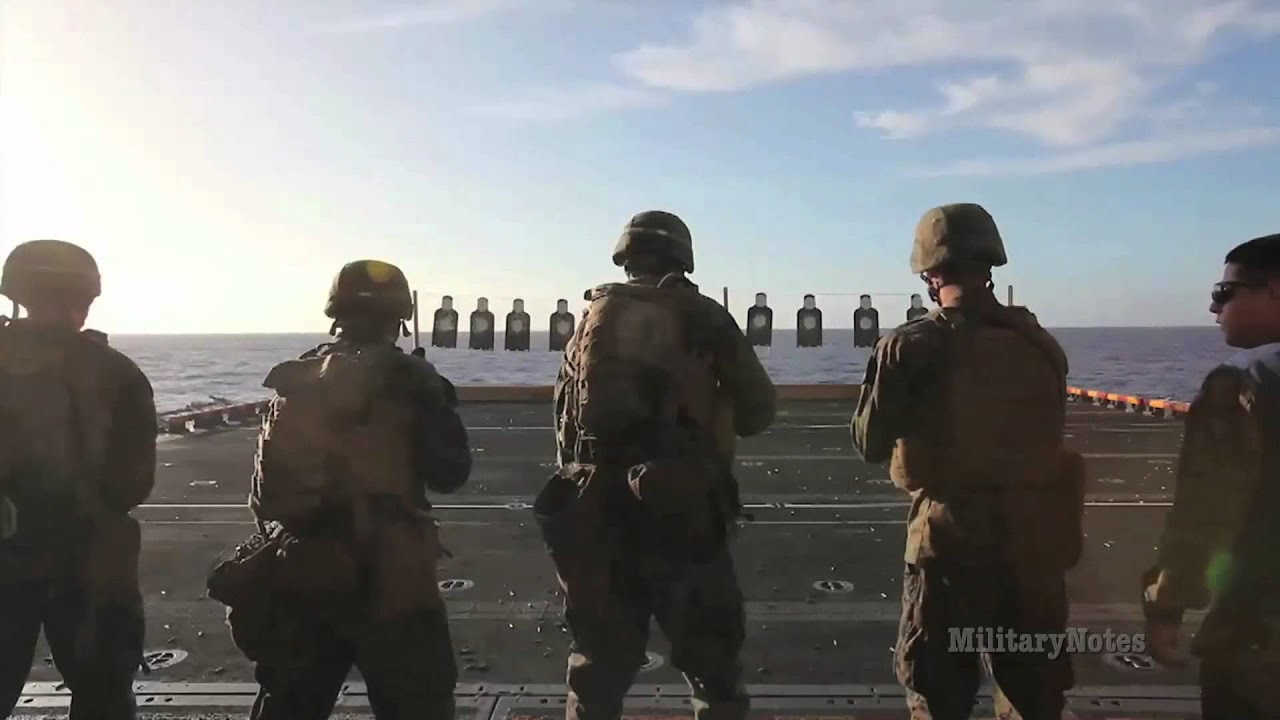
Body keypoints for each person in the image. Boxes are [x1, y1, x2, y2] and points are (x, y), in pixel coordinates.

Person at [537, 210, 775, 720]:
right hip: (682, 513)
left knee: (597, 668)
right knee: (714, 671)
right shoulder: (704, 316)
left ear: (625, 257)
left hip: (598, 515)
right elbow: (759, 410)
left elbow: (565, 422)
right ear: (682, 258)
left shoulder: (589, 320)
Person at [207, 259, 471, 720]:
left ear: (336, 312)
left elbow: (265, 491)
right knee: (419, 703)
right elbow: (451, 472)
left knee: (289, 704)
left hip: (303, 565)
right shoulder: (413, 380)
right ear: (400, 318)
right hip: (393, 572)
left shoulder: (297, 377)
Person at [851, 204, 1084, 720]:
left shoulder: (908, 345)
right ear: (991, 265)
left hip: (948, 544)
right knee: (1034, 693)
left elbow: (868, 442)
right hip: (1035, 544)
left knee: (938, 692)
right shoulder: (1039, 343)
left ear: (929, 274)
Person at [0, 240, 157, 719]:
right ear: (86, 298)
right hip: (90, 560)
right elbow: (134, 483)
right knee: (104, 694)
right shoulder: (116, 372)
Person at [1142, 233, 1280, 719]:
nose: (1212, 307)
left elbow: (1205, 515)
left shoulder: (1245, 382)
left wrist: (1166, 607)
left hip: (1259, 638)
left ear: (1275, 291)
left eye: (1226, 293)